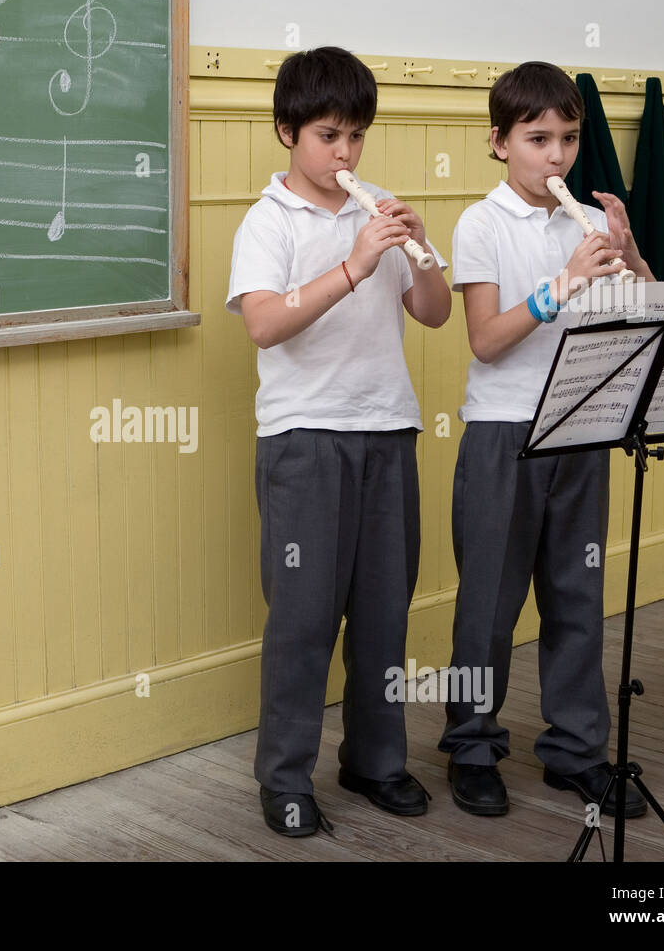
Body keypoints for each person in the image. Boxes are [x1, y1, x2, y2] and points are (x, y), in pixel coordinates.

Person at [226, 46, 451, 837]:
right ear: (287, 131)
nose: (345, 155)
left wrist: (417, 251)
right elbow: (264, 321)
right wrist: (354, 266)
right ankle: (284, 777)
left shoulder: (376, 204)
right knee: (302, 621)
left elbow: (435, 312)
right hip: (304, 440)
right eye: (328, 136)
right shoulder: (265, 221)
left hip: (387, 428)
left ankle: (375, 761)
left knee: (385, 615)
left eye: (356, 136)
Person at [440, 61, 654, 818]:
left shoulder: (587, 222)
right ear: (499, 143)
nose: (555, 156)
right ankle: (471, 745)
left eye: (566, 138)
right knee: (489, 605)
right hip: (505, 431)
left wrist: (625, 252)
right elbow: (488, 340)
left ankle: (575, 750)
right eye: (537, 139)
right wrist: (561, 283)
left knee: (576, 598)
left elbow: (647, 313)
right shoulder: (480, 223)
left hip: (584, 427)